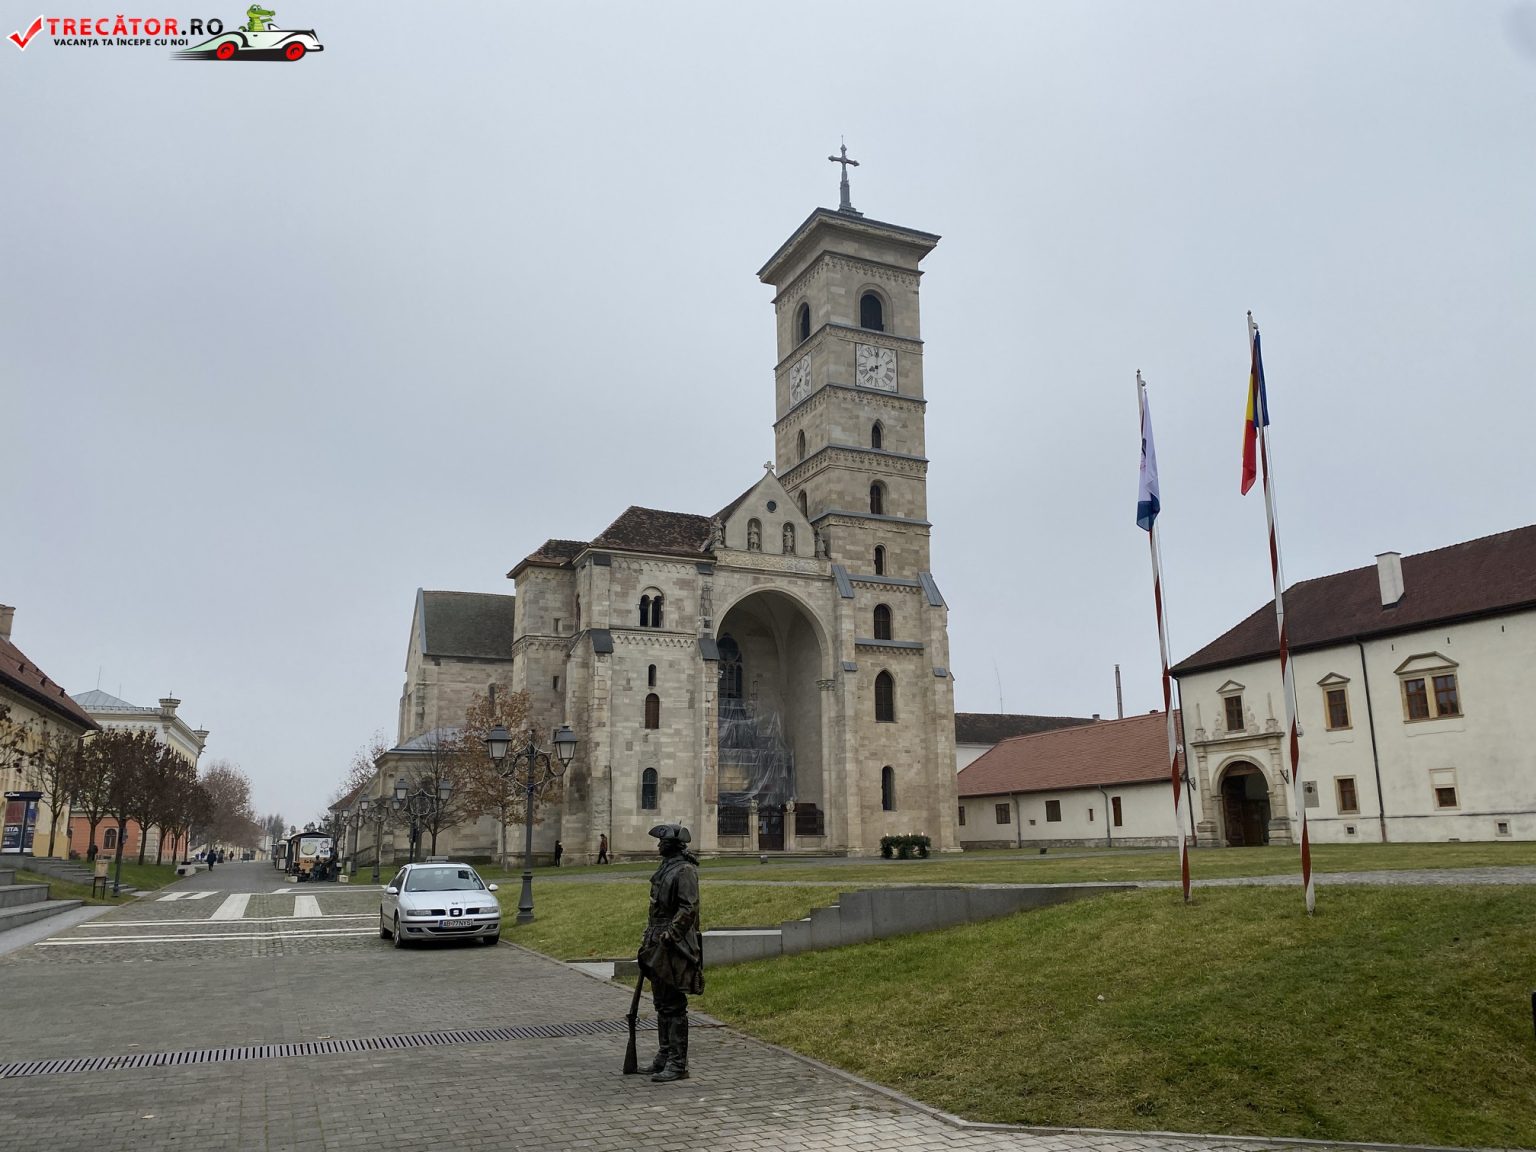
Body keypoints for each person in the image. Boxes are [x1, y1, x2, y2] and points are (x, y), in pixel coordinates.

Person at [637, 823, 703, 1083]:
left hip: (674, 945)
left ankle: (678, 1063)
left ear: (672, 845)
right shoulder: (666, 868)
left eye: (662, 842)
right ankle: (664, 1056)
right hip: (657, 940)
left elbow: (688, 908)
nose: (658, 846)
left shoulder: (685, 871)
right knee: (662, 1004)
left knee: (674, 1005)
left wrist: (671, 934)